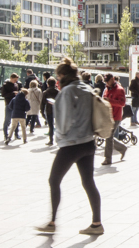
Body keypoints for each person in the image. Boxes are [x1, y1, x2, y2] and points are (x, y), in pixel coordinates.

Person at [35, 58, 103, 236]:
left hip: (71, 144)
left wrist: (60, 136)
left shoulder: (67, 92)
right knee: (88, 182)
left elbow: (64, 121)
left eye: (58, 76)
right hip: (88, 142)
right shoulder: (86, 88)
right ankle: (97, 223)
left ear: (63, 75)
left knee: (54, 180)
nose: (57, 79)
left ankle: (52, 222)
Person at [101, 74, 127, 165]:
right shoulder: (107, 89)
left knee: (108, 136)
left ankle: (108, 158)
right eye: (106, 81)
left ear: (112, 79)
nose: (107, 83)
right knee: (108, 136)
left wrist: (110, 101)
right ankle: (122, 148)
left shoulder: (119, 89)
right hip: (108, 116)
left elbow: (122, 103)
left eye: (108, 81)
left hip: (116, 117)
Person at [0, 73, 21, 138]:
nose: (15, 81)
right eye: (14, 80)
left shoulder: (16, 85)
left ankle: (16, 133)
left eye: (16, 80)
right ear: (11, 78)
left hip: (16, 104)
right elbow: (3, 94)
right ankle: (5, 134)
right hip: (8, 103)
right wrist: (12, 93)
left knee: (16, 120)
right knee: (7, 119)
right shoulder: (5, 85)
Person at [42, 78, 60, 146]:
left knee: (51, 126)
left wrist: (42, 113)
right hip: (57, 111)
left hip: (49, 110)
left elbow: (42, 104)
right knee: (58, 126)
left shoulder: (45, 92)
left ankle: (51, 140)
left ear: (48, 84)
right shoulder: (58, 92)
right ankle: (58, 140)